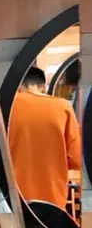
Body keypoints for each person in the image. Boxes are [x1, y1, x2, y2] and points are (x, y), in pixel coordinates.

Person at [8, 66, 81, 210]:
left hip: (12, 197)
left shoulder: (5, 108)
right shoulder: (62, 107)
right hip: (52, 198)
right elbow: (76, 159)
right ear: (42, 86)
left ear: (19, 84)